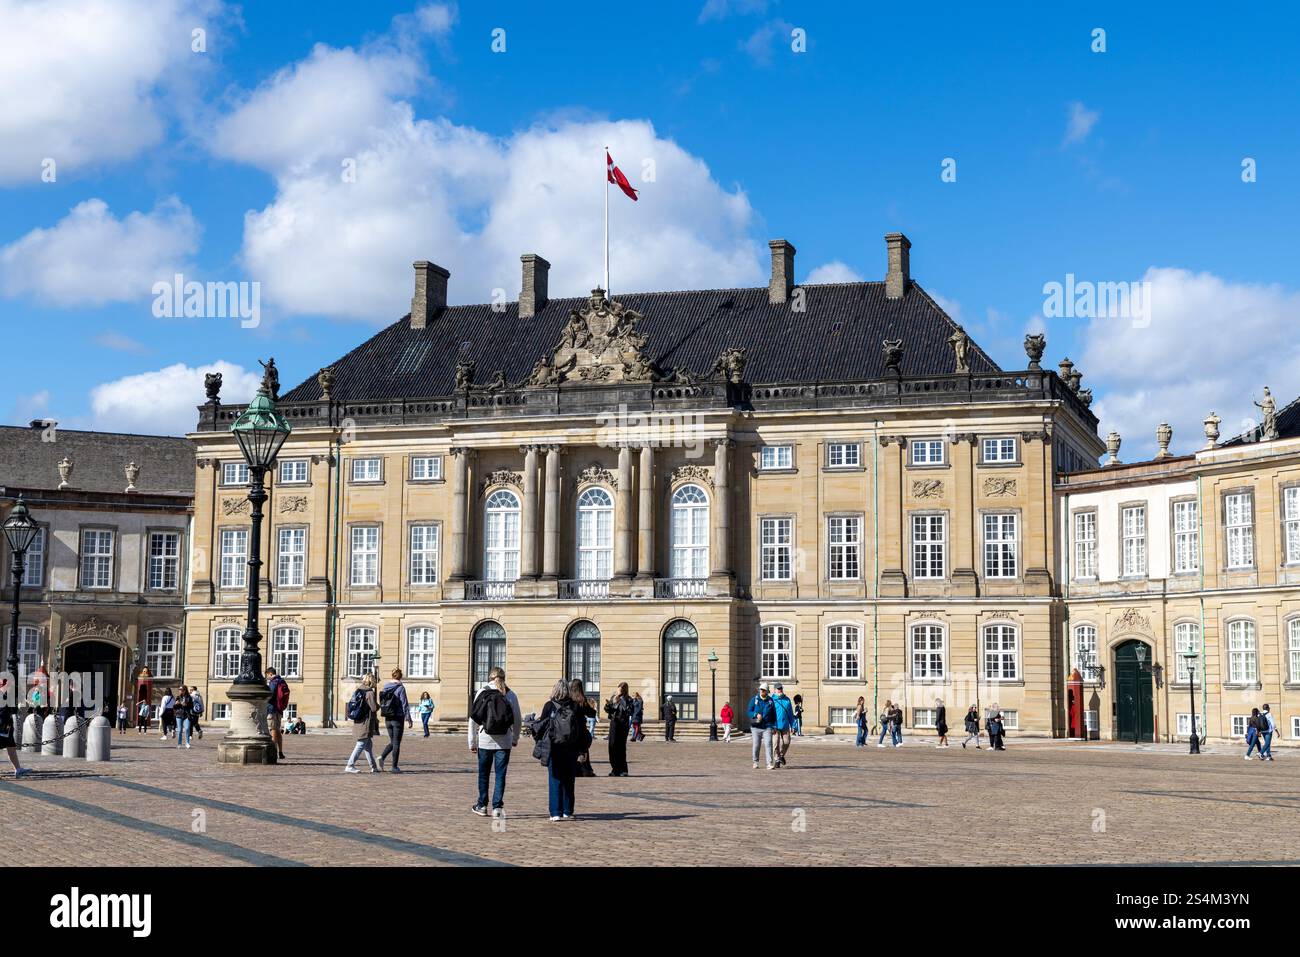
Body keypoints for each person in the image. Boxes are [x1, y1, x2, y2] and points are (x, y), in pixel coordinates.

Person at [539, 678, 596, 821]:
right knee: (569, 781)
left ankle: (555, 813)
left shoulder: (549, 706)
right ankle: (568, 810)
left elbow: (541, 728)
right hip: (571, 749)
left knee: (555, 779)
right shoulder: (575, 706)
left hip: (554, 748)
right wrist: (582, 749)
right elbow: (582, 731)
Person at [468, 666, 522, 818]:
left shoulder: (482, 691)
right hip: (504, 741)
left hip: (485, 740)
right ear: (503, 678)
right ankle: (497, 807)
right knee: (500, 775)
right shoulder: (510, 694)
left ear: (490, 677)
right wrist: (515, 738)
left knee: (484, 774)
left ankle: (482, 805)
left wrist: (472, 742)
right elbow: (518, 720)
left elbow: (473, 719)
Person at [378, 668, 413, 773]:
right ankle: (394, 767)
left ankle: (382, 757)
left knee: (393, 741)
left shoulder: (385, 687)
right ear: (400, 676)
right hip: (398, 717)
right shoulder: (400, 688)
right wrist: (408, 718)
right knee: (397, 742)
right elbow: (404, 704)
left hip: (387, 717)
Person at [344, 674, 380, 773]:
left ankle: (374, 767)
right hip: (366, 722)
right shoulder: (369, 692)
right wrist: (379, 705)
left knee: (368, 746)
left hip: (358, 721)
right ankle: (350, 765)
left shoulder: (358, 690)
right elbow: (373, 708)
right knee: (360, 744)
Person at [0, 678, 31, 778]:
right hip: (2, 727)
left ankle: (18, 769)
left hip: (7, 727)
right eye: (8, 685)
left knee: (11, 748)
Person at [604, 682, 633, 776]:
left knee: (620, 746)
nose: (618, 690)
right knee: (612, 746)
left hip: (623, 723)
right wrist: (608, 705)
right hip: (614, 723)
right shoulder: (614, 697)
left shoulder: (628, 699)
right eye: (618, 688)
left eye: (620, 689)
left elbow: (630, 711)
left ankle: (623, 770)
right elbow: (609, 710)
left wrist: (621, 701)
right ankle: (615, 769)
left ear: (624, 689)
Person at [748, 683, 777, 770]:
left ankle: (769, 763)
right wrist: (755, 714)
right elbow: (749, 711)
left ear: (767, 691)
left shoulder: (770, 701)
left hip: (767, 726)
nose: (762, 691)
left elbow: (774, 714)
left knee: (768, 744)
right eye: (761, 689)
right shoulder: (754, 699)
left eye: (763, 690)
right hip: (756, 726)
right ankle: (755, 761)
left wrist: (774, 726)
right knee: (756, 745)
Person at [266, 667, 290, 760]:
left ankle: (273, 752)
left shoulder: (274, 681)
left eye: (267, 675)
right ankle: (280, 752)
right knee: (277, 730)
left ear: (270, 674)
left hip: (272, 708)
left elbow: (270, 694)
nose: (267, 677)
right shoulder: (282, 681)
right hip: (279, 709)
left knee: (273, 729)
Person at [771, 683, 795, 767]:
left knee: (787, 742)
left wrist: (793, 725)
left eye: (781, 688)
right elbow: (768, 714)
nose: (779, 690)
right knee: (775, 743)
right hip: (775, 726)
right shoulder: (771, 700)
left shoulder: (787, 700)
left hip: (785, 725)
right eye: (778, 688)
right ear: (774, 690)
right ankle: (776, 759)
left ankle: (781, 755)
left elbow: (790, 714)